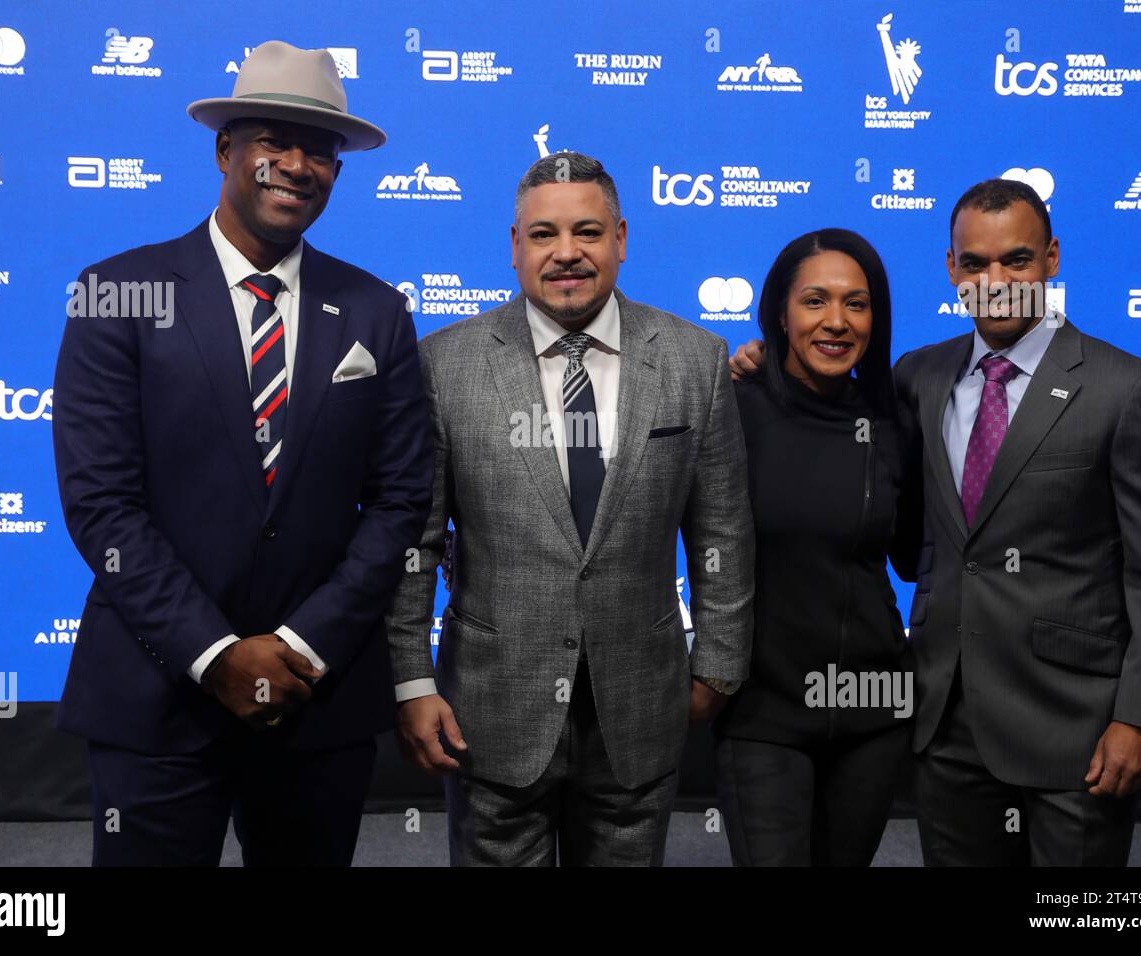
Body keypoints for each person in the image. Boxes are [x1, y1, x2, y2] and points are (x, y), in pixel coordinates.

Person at [731, 179, 1141, 866]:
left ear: (1051, 259)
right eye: (976, 263)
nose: (997, 280)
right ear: (952, 270)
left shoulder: (1128, 389)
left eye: (1016, 259)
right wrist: (761, 363)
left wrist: (1140, 717)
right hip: (943, 728)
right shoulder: (915, 380)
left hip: (1076, 734)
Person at [51, 41, 433, 865]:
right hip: (156, 693)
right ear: (225, 151)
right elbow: (101, 504)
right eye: (273, 140)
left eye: (320, 148)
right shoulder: (116, 292)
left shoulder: (376, 310)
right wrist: (217, 655)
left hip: (318, 699)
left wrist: (297, 648)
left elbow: (403, 499)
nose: (297, 164)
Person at [385, 152, 754, 866]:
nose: (566, 254)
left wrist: (717, 666)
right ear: (515, 247)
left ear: (621, 237)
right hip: (489, 707)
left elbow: (724, 531)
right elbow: (416, 540)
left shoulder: (693, 358)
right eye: (544, 234)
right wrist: (411, 678)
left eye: (586, 232)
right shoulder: (445, 363)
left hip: (642, 705)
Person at [715, 228, 914, 866]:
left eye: (857, 303)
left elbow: (915, 556)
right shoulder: (731, 408)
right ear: (779, 311)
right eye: (815, 301)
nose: (836, 321)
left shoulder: (893, 420)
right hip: (763, 714)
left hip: (873, 710)